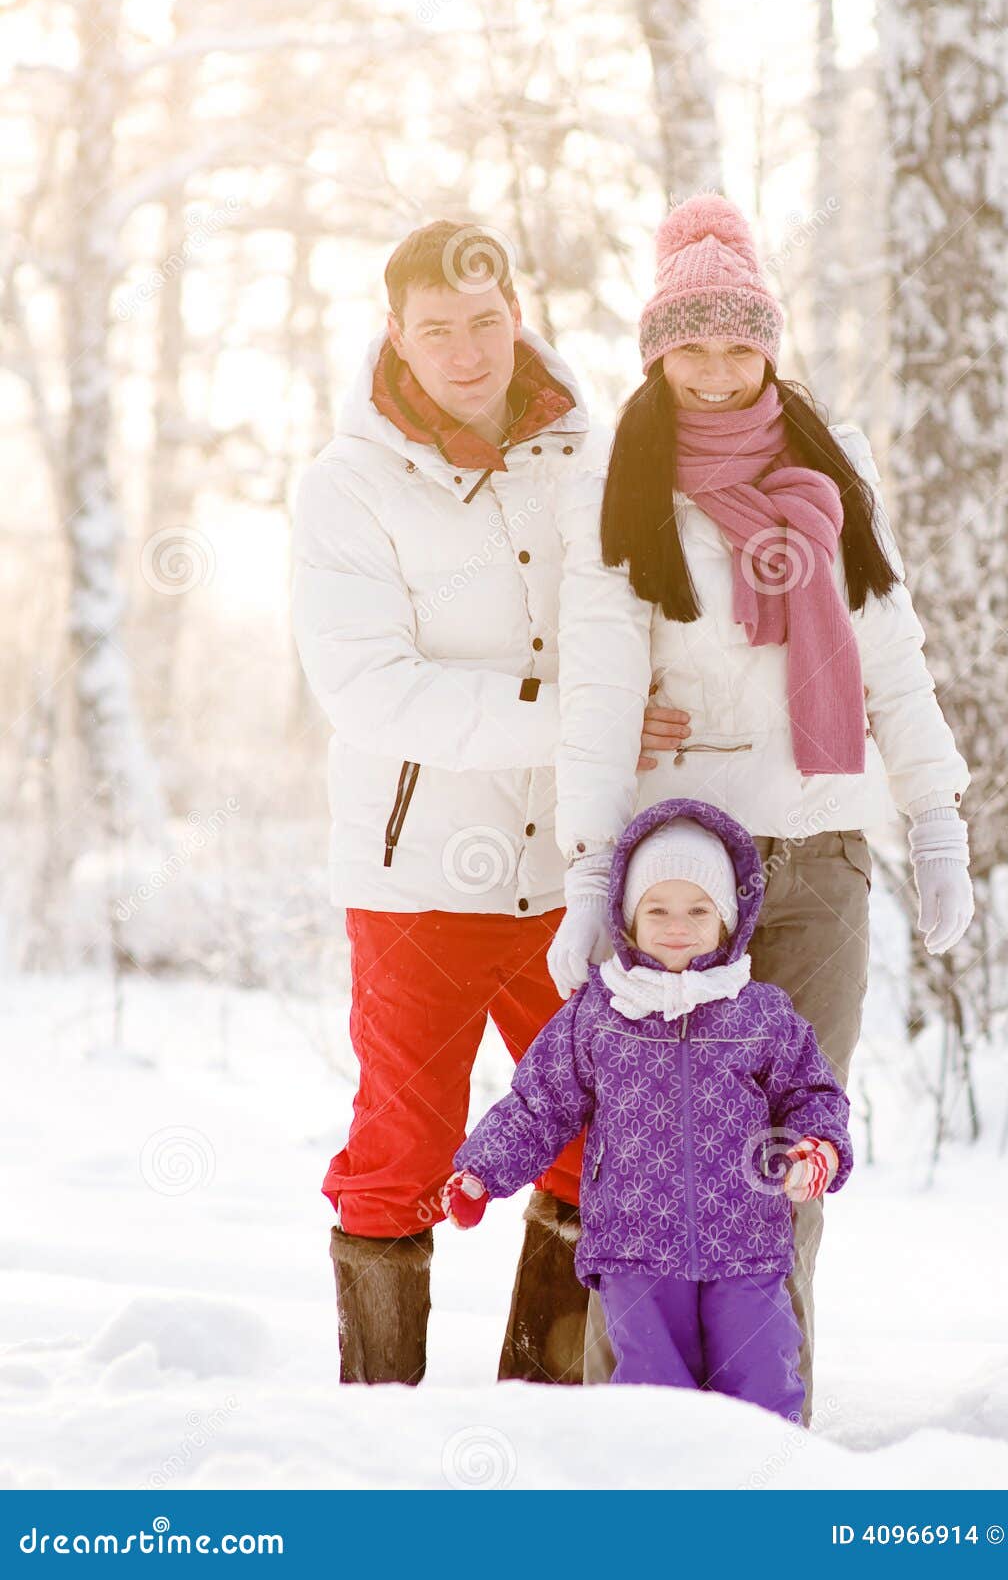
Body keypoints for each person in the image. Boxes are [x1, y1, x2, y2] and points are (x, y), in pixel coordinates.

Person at [546, 193, 976, 1424]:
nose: (719, 370)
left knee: (792, 1155)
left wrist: (934, 819)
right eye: (694, 346)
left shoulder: (826, 473)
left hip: (827, 858)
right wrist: (589, 871)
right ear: (656, 350)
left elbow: (891, 657)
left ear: (770, 345)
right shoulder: (621, 485)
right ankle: (629, 1433)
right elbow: (599, 686)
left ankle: (763, 1424)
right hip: (685, 866)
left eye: (741, 344)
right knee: (652, 1158)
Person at [290, 218, 643, 1386]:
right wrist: (579, 717)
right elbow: (372, 690)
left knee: (603, 1139)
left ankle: (542, 1409)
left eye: (486, 322)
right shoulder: (347, 484)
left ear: (518, 316)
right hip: (421, 878)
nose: (466, 350)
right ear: (395, 332)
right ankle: (380, 1427)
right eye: (435, 328)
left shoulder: (591, 457)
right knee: (405, 1148)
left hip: (575, 876)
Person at [442, 797, 853, 1422]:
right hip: (634, 1248)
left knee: (765, 1388)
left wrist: (814, 1148)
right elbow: (539, 1101)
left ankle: (770, 1498)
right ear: (627, 919)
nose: (676, 925)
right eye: (656, 909)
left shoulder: (761, 1013)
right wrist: (482, 1171)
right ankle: (656, 1507)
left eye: (697, 909)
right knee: (651, 1403)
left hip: (745, 1245)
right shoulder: (600, 1012)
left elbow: (812, 1093)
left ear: (729, 920)